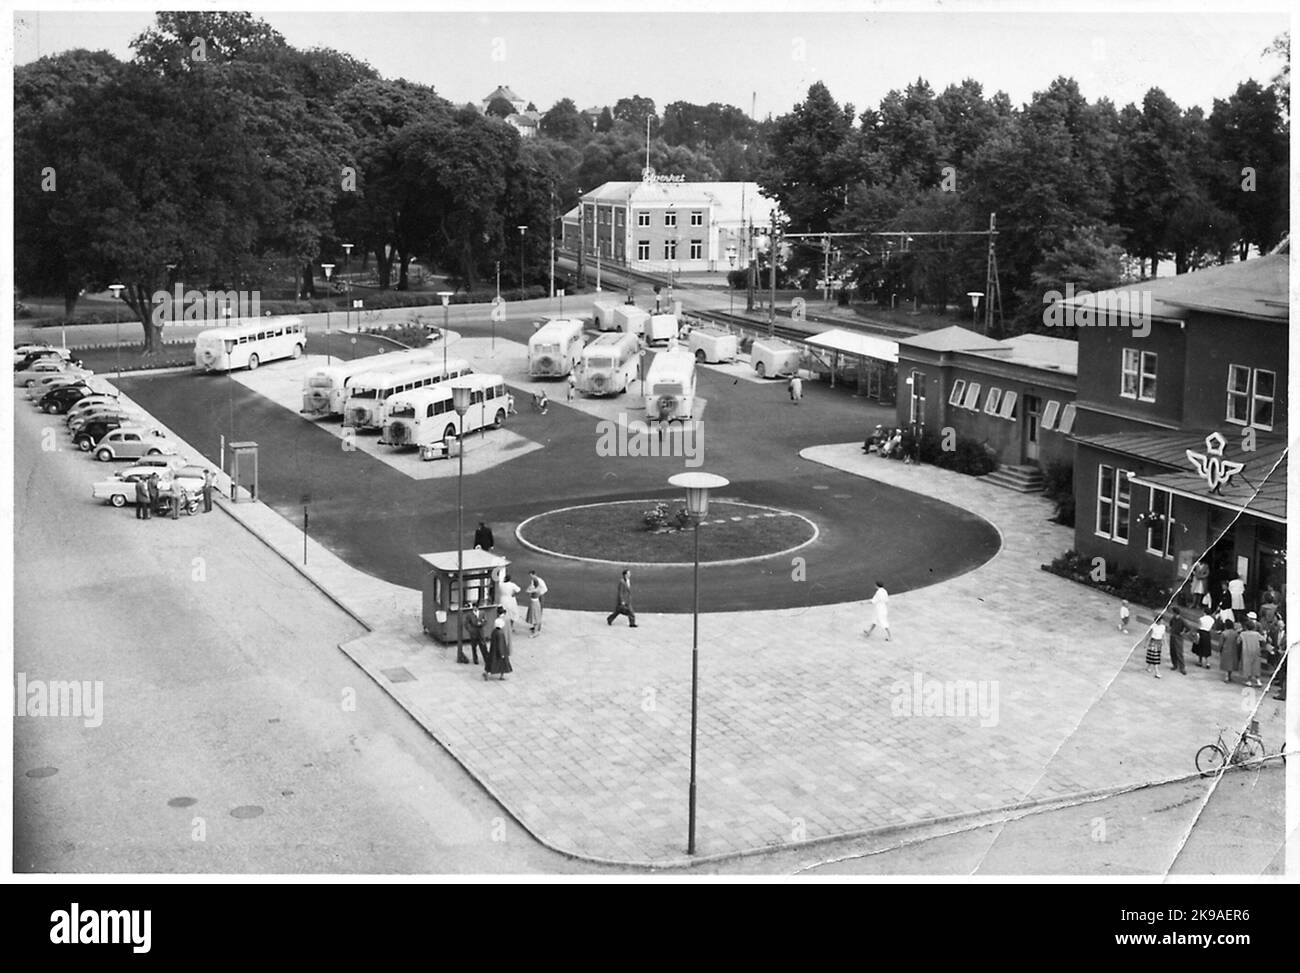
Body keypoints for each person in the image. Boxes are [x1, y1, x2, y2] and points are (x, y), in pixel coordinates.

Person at [483, 609, 512, 681]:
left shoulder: (494, 631)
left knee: (491, 663)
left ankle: (487, 673)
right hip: (500, 651)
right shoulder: (501, 633)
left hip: (493, 649)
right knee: (502, 664)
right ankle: (501, 675)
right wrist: (502, 653)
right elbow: (501, 644)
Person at [1238, 618, 1263, 689]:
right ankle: (1258, 680)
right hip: (1256, 650)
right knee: (1256, 665)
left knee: (1247, 665)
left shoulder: (1243, 634)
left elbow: (1238, 641)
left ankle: (1249, 680)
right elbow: (1263, 639)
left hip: (1246, 651)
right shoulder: (1257, 634)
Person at [465, 601, 489, 667]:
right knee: (474, 646)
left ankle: (486, 659)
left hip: (480, 631)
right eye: (473, 607)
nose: (474, 608)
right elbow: (467, 624)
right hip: (474, 632)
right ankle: (475, 659)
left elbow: (485, 620)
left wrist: (481, 623)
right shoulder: (469, 614)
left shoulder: (482, 613)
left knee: (483, 645)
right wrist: (471, 630)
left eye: (476, 607)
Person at [526, 570, 548, 636]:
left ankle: (538, 628)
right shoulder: (533, 581)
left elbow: (545, 589)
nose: (531, 577)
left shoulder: (540, 581)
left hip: (539, 596)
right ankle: (534, 626)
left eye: (531, 575)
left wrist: (538, 594)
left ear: (534, 574)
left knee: (537, 612)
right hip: (535, 596)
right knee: (533, 613)